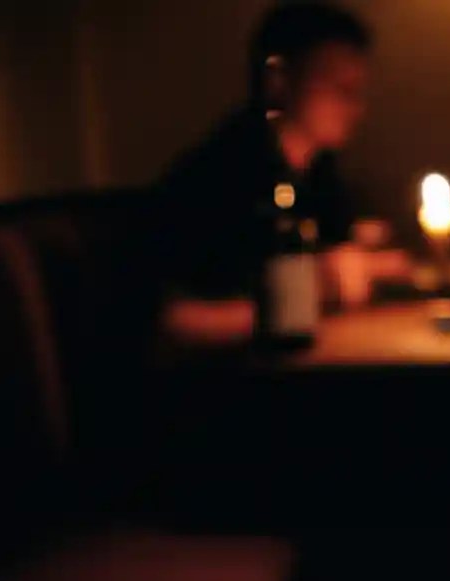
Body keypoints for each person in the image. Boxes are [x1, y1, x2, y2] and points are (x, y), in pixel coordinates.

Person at [156, 2, 402, 344]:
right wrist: (305, 292)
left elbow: (336, 253)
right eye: (341, 88)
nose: (356, 107)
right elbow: (167, 320)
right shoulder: (220, 174)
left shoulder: (318, 172)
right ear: (279, 80)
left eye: (358, 91)